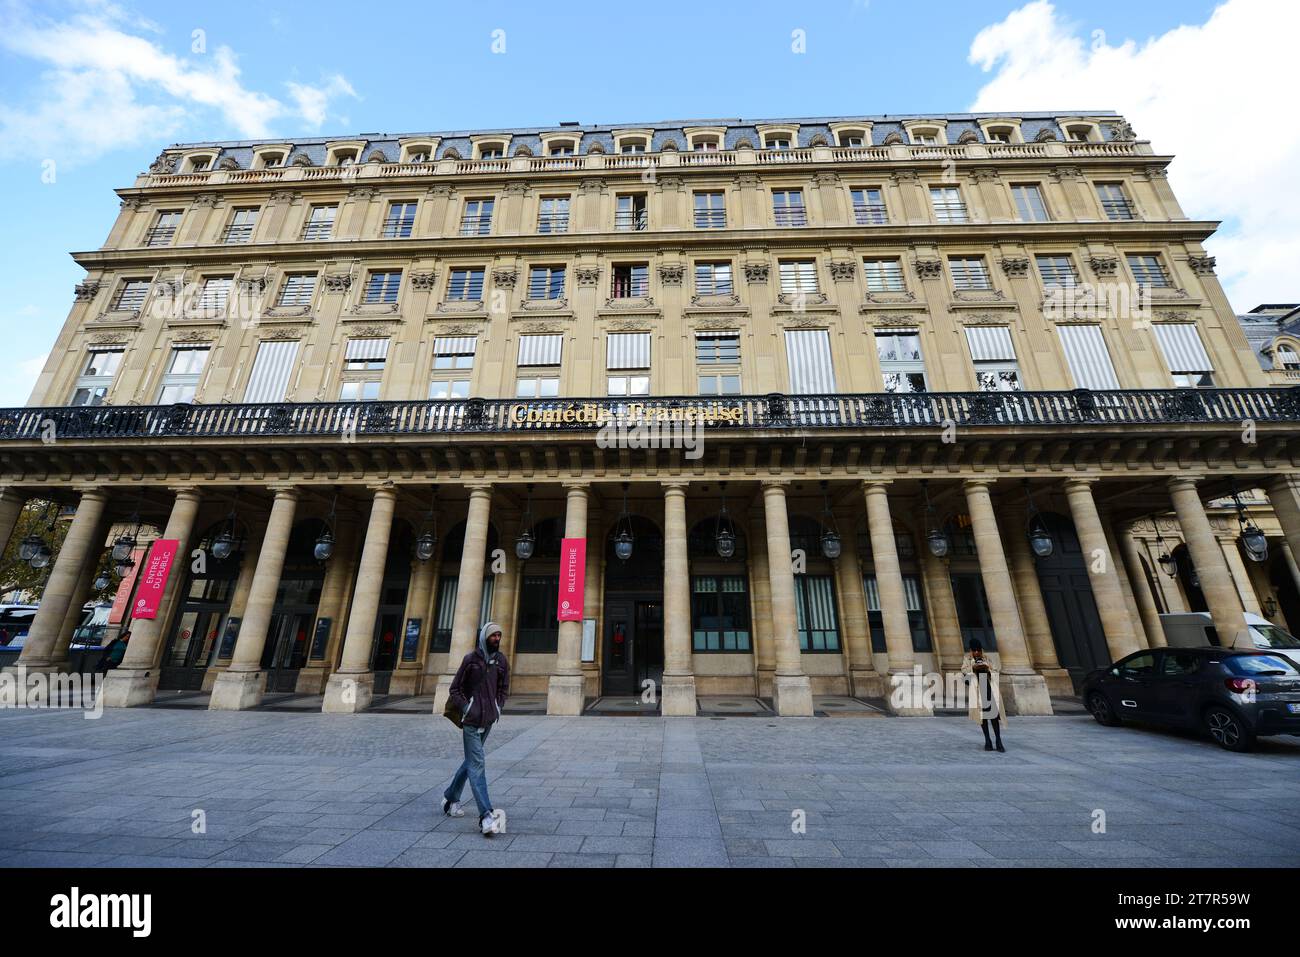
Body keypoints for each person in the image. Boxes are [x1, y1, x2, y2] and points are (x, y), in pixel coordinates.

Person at [442, 621, 509, 835]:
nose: (497, 639)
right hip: (471, 720)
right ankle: (486, 816)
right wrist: (467, 708)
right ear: (484, 637)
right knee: (478, 763)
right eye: (493, 636)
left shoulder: (501, 661)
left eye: (499, 636)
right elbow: (455, 689)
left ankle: (450, 798)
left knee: (472, 759)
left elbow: (503, 688)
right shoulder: (470, 660)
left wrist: (497, 707)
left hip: (488, 719)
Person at [961, 639, 1007, 752]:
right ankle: (987, 740)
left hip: (989, 689)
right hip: (978, 692)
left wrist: (987, 668)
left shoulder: (987, 658)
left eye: (978, 650)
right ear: (971, 650)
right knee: (983, 717)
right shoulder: (967, 659)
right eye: (974, 650)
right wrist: (973, 667)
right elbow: (964, 672)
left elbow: (996, 670)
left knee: (994, 716)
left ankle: (998, 740)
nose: (977, 652)